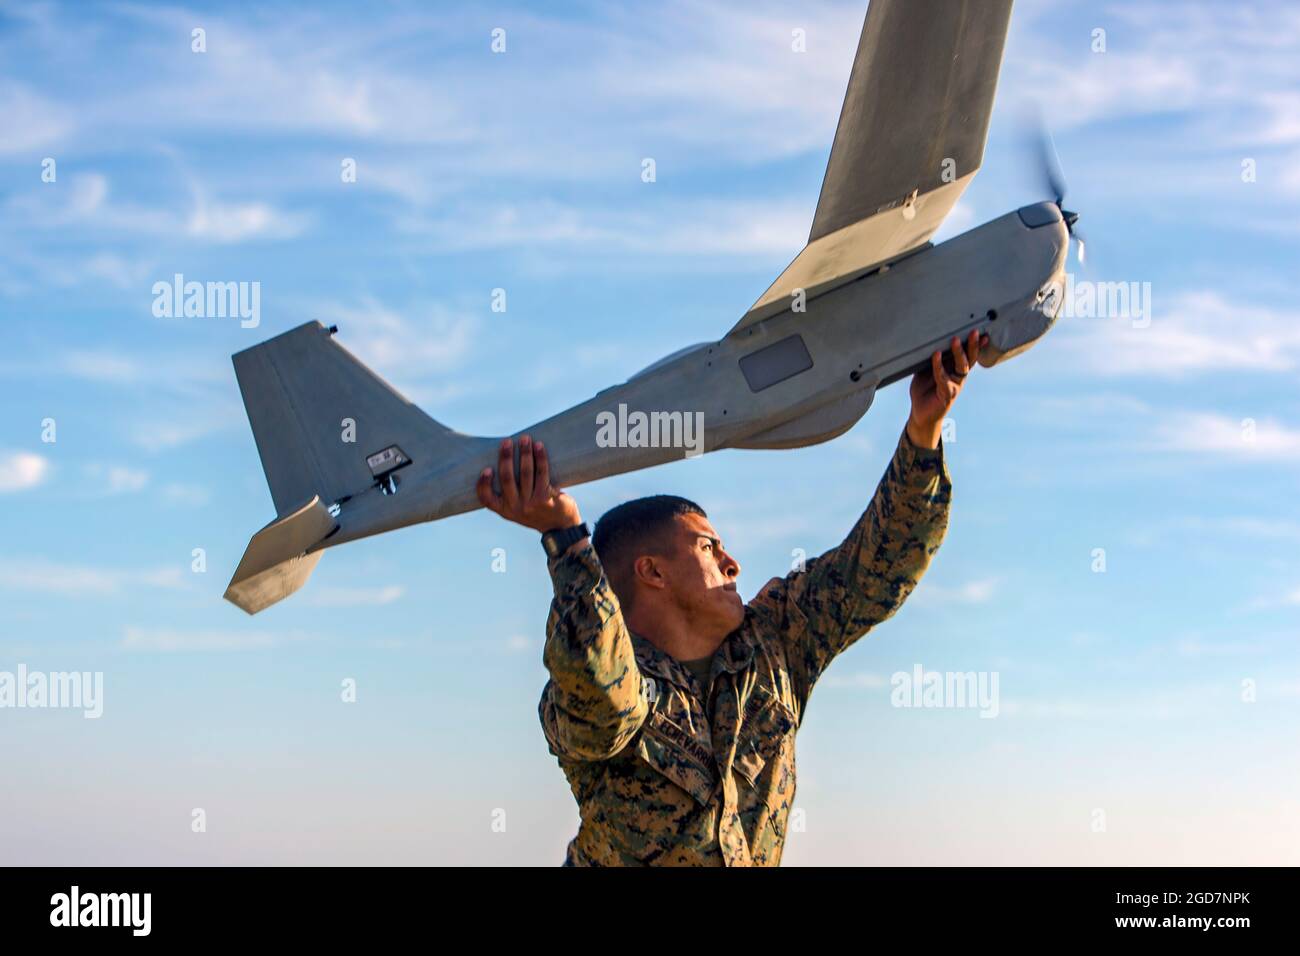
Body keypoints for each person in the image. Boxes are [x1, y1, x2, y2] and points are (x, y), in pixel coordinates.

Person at [476, 329, 987, 866]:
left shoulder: (775, 643)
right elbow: (602, 690)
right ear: (652, 571)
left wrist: (924, 431)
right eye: (708, 546)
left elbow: (877, 569)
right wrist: (566, 540)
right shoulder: (597, 690)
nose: (733, 563)